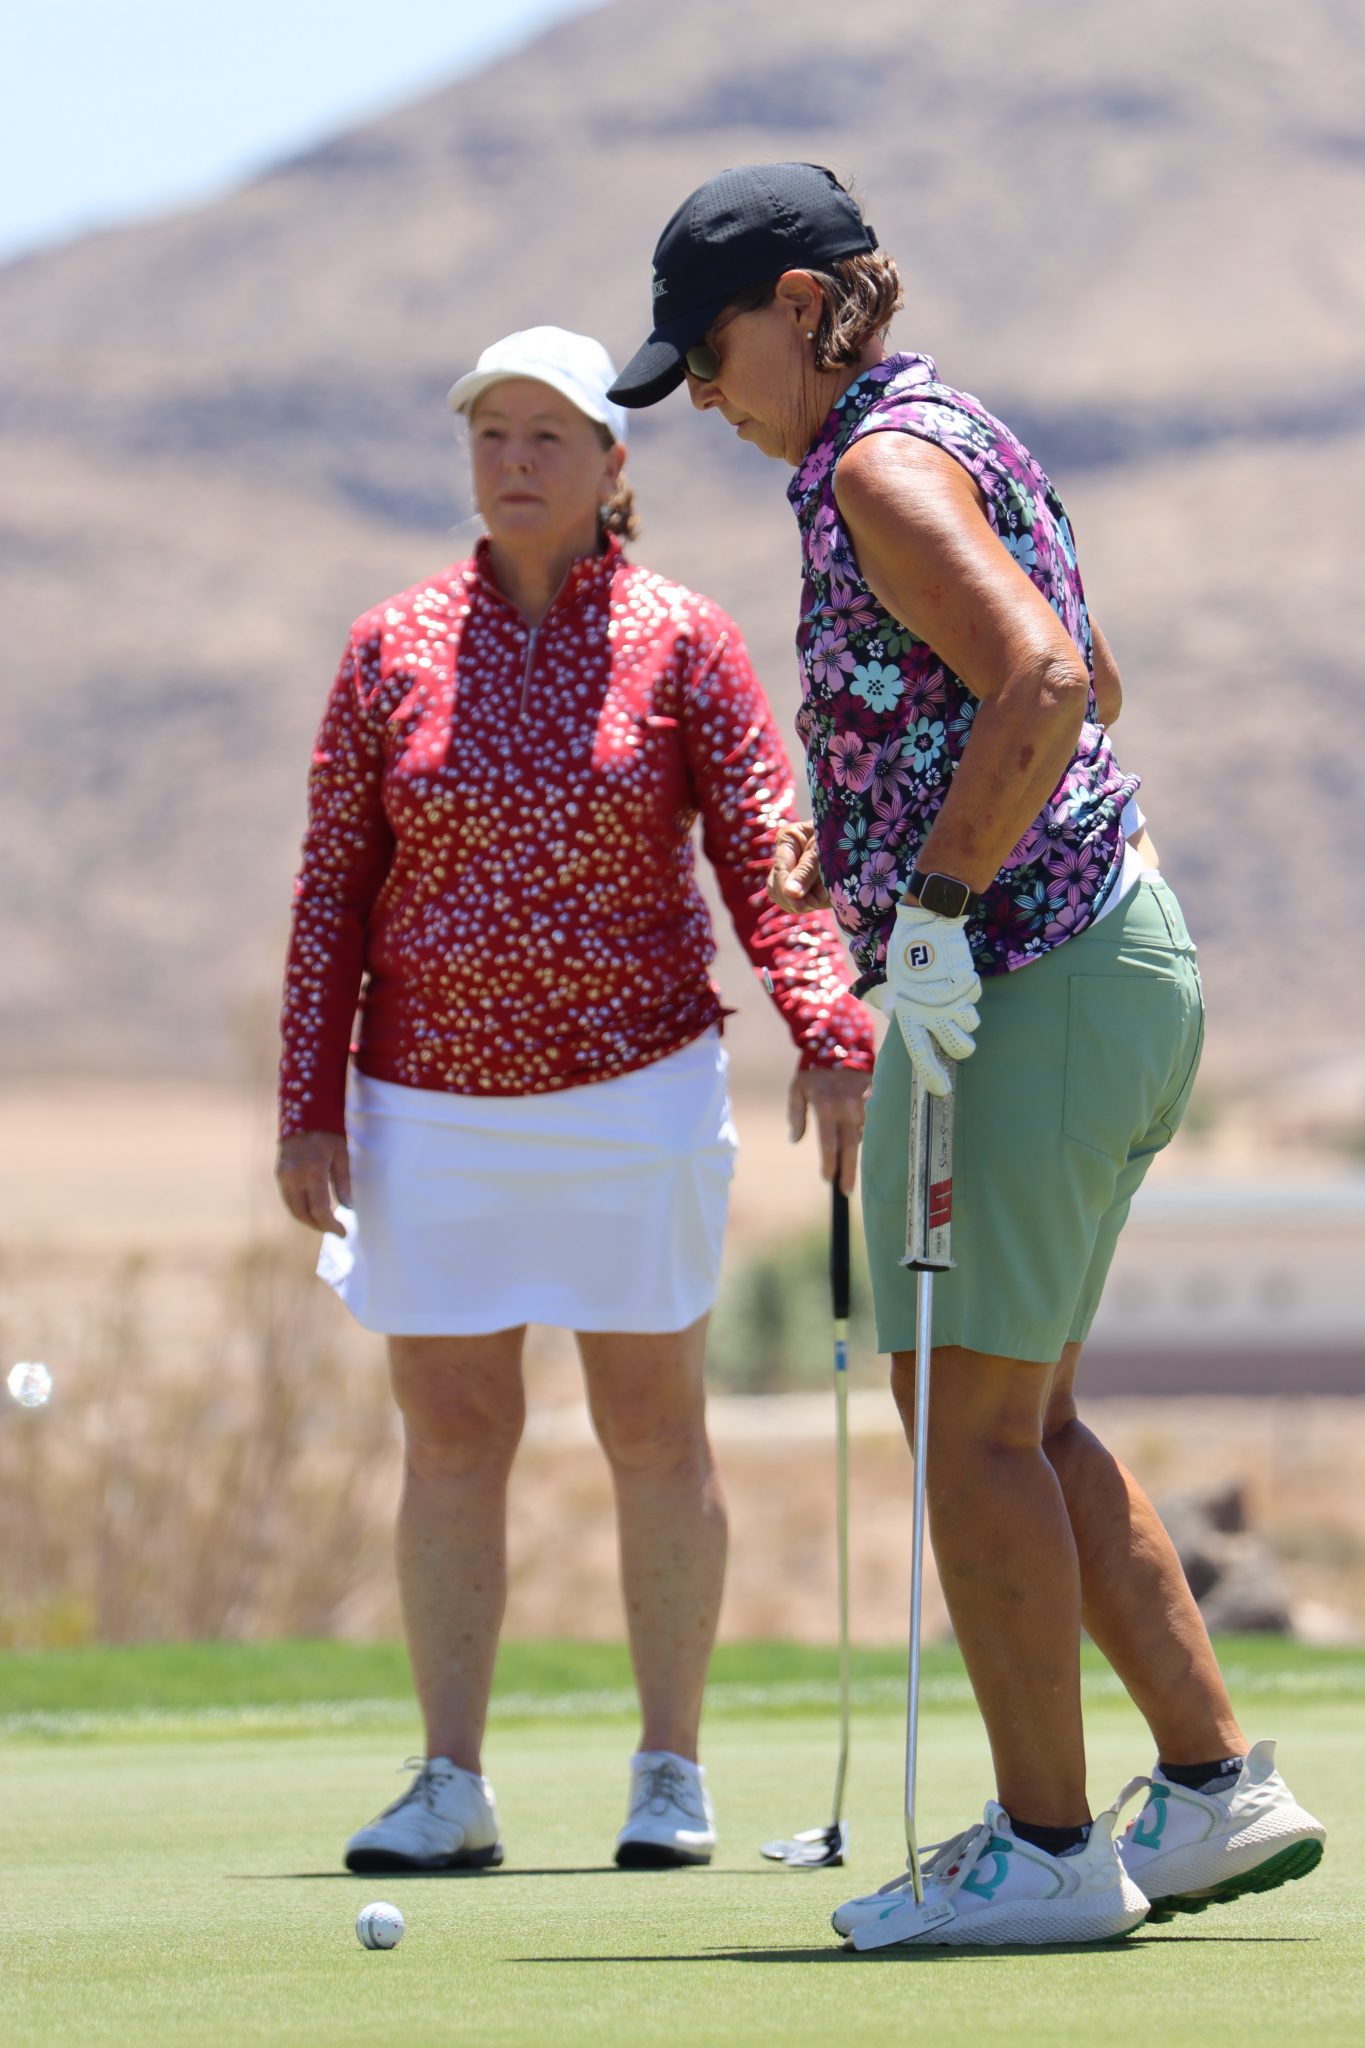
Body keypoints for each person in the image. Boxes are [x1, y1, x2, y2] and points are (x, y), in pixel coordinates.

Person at [608, 165, 1325, 1945]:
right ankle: (1211, 1789)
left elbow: (1045, 683)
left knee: (970, 1425)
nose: (702, 401)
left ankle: (1046, 1847)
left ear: (796, 307)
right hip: (1107, 963)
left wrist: (928, 906)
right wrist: (870, 844)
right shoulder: (952, 429)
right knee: (1018, 1412)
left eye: (708, 357)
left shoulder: (875, 463)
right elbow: (1090, 671)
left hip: (1028, 982)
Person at [275, 325, 875, 1874]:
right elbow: (334, 886)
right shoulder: (391, 646)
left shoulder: (683, 641)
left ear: (613, 464)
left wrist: (828, 1028)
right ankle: (447, 1785)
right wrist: (307, 1101)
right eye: (491, 436)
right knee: (451, 1432)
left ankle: (669, 1774)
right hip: (429, 1103)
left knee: (653, 1429)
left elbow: (763, 853)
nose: (515, 463)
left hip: (636, 1095)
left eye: (547, 436)